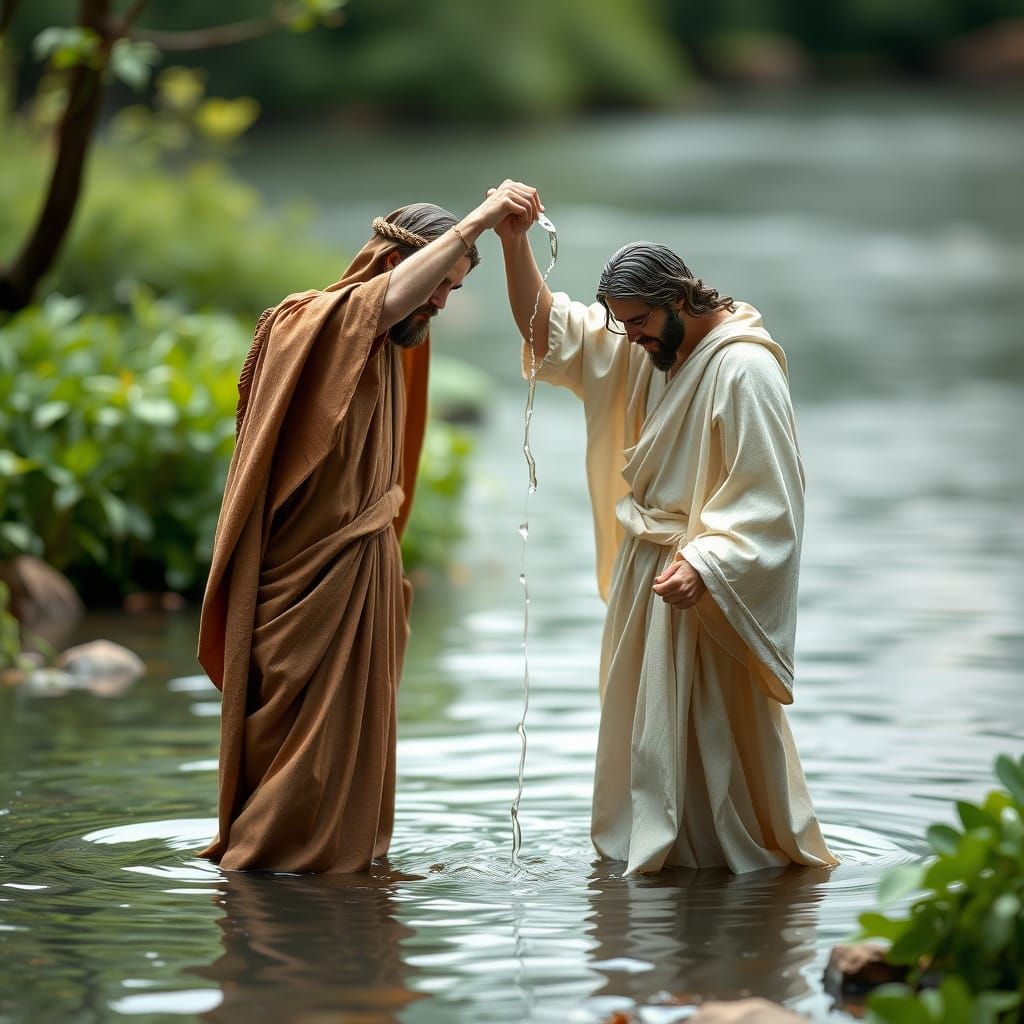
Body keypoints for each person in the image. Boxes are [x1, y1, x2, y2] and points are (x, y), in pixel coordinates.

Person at [495, 180, 837, 874]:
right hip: (645, 570)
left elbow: (771, 496)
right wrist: (512, 242)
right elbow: (546, 332)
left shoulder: (743, 369)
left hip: (704, 581)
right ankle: (656, 858)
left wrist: (709, 562)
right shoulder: (642, 345)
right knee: (640, 731)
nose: (629, 337)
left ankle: (723, 869)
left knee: (711, 732)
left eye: (640, 321)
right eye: (619, 324)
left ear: (681, 300)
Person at [197, 183, 542, 873]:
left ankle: (341, 877)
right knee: (295, 759)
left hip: (363, 575)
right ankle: (264, 891)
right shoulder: (314, 322)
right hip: (301, 586)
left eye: (451, 290)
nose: (439, 304)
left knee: (351, 760)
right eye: (436, 285)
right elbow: (378, 304)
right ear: (393, 263)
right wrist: (476, 220)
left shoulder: (393, 344)